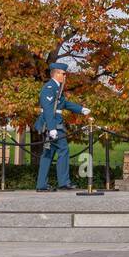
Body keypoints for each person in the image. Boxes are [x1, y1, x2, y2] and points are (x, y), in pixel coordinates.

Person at [36, 60, 90, 191]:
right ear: (56, 74)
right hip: (53, 124)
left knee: (48, 154)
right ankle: (64, 182)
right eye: (64, 74)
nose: (65, 76)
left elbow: (64, 104)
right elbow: (48, 109)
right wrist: (52, 128)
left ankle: (41, 185)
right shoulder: (49, 88)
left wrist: (80, 109)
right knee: (63, 150)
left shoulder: (56, 88)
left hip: (53, 123)